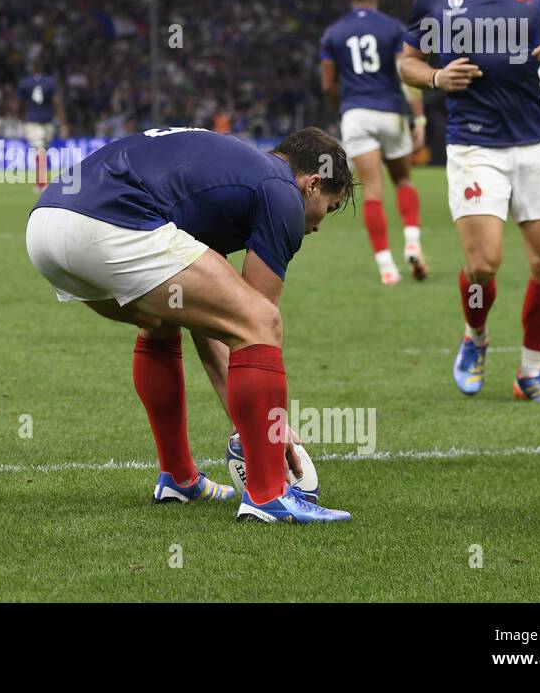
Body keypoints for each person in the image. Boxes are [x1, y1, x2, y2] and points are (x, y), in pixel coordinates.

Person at [26, 126, 354, 523]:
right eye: (329, 208)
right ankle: (269, 495)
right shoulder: (281, 190)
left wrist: (248, 424)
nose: (319, 225)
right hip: (106, 222)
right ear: (312, 183)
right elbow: (255, 325)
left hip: (46, 227)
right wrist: (271, 427)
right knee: (260, 320)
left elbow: (214, 322)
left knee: (162, 320)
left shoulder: (233, 174)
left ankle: (179, 477)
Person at [398, 0, 540, 404]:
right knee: (483, 265)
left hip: (534, 141)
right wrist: (434, 78)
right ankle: (475, 338)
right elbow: (407, 62)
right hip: (474, 145)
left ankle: (531, 372)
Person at [320, 0, 428, 284]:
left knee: (372, 191)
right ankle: (413, 244)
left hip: (357, 114)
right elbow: (408, 74)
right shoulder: (393, 28)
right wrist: (418, 117)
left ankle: (387, 268)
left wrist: (341, 109)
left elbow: (328, 85)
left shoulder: (333, 33)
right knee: (404, 180)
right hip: (391, 112)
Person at [18, 68, 67, 192]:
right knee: (41, 150)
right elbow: (57, 102)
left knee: (41, 150)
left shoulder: (25, 82)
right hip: (47, 121)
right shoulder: (50, 82)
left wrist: (21, 117)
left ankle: (41, 182)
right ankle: (41, 183)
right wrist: (63, 123)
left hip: (33, 120)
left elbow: (20, 102)